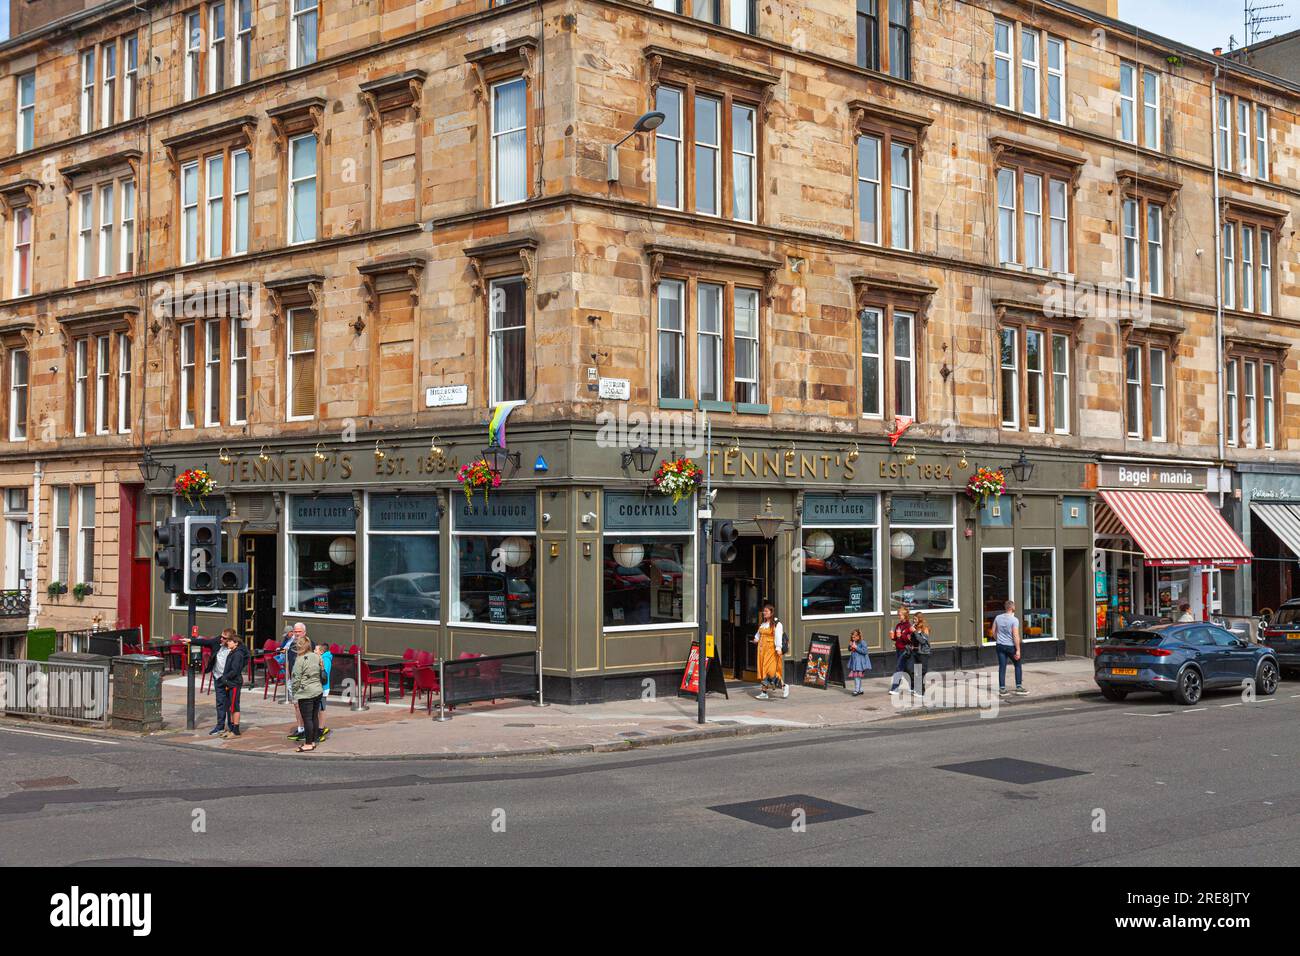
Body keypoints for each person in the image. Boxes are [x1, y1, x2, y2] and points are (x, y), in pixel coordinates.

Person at [184, 627, 245, 737]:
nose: (221, 639)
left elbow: (245, 658)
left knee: (231, 704)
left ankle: (232, 726)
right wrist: (190, 640)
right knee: (220, 702)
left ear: (231, 639)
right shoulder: (218, 641)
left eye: (224, 638)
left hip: (230, 679)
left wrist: (235, 671)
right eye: (221, 636)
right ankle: (220, 726)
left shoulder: (238, 647)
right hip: (218, 677)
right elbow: (205, 642)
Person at [289, 636, 324, 753]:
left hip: (306, 692)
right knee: (314, 716)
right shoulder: (316, 656)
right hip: (318, 690)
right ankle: (313, 740)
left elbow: (296, 679)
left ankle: (308, 743)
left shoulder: (300, 660)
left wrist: (294, 694)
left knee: (307, 718)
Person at [752, 600, 788, 700]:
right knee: (763, 671)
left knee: (771, 671)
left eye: (767, 611)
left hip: (771, 650)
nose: (764, 613)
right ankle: (764, 692)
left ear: (771, 613)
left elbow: (778, 637)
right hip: (761, 651)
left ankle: (784, 686)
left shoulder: (777, 624)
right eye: (764, 611)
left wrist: (778, 648)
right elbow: (758, 635)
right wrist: (756, 639)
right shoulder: (763, 624)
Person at [280, 622, 308, 741]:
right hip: (292, 679)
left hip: (304, 681)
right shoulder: (291, 644)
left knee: (305, 706)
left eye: (299, 632)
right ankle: (300, 728)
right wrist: (287, 678)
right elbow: (288, 661)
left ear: (304, 632)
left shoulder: (309, 644)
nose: (296, 634)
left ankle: (308, 730)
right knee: (296, 705)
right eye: (295, 632)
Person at [993, 599, 1027, 697]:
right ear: (1012, 608)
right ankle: (1019, 687)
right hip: (1010, 646)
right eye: (1014, 606)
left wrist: (998, 639)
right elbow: (1015, 635)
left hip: (1000, 645)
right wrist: (1018, 650)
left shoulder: (997, 618)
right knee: (1017, 664)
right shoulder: (1014, 620)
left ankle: (1002, 689)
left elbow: (993, 631)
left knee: (1002, 666)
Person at [889, 606, 914, 696]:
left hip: (905, 649)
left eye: (900, 615)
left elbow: (910, 640)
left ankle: (894, 688)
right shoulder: (898, 625)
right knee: (906, 669)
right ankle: (913, 687)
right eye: (898, 614)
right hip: (898, 649)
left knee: (899, 668)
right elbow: (896, 638)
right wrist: (893, 637)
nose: (899, 616)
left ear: (905, 615)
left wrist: (901, 636)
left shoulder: (909, 626)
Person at [911, 611, 932, 696]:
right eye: (913, 619)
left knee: (922, 672)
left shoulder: (925, 628)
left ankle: (921, 692)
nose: (914, 620)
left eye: (915, 619)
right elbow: (914, 640)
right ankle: (917, 689)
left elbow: (923, 641)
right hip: (916, 651)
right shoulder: (915, 627)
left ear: (920, 619)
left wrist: (915, 632)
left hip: (923, 652)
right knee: (917, 671)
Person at [315, 643, 333, 742]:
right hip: (321, 687)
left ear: (321, 652)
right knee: (319, 708)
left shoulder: (325, 660)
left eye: (316, 650)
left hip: (323, 688)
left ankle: (320, 729)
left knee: (321, 708)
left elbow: (323, 675)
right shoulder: (323, 658)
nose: (314, 651)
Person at [847, 628, 871, 696]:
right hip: (855, 661)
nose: (853, 638)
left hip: (860, 662)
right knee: (858, 676)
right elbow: (849, 649)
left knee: (857, 676)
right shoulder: (853, 641)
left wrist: (856, 647)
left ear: (858, 636)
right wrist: (850, 646)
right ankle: (860, 689)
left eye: (854, 637)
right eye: (852, 637)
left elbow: (865, 651)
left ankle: (857, 690)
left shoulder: (862, 642)